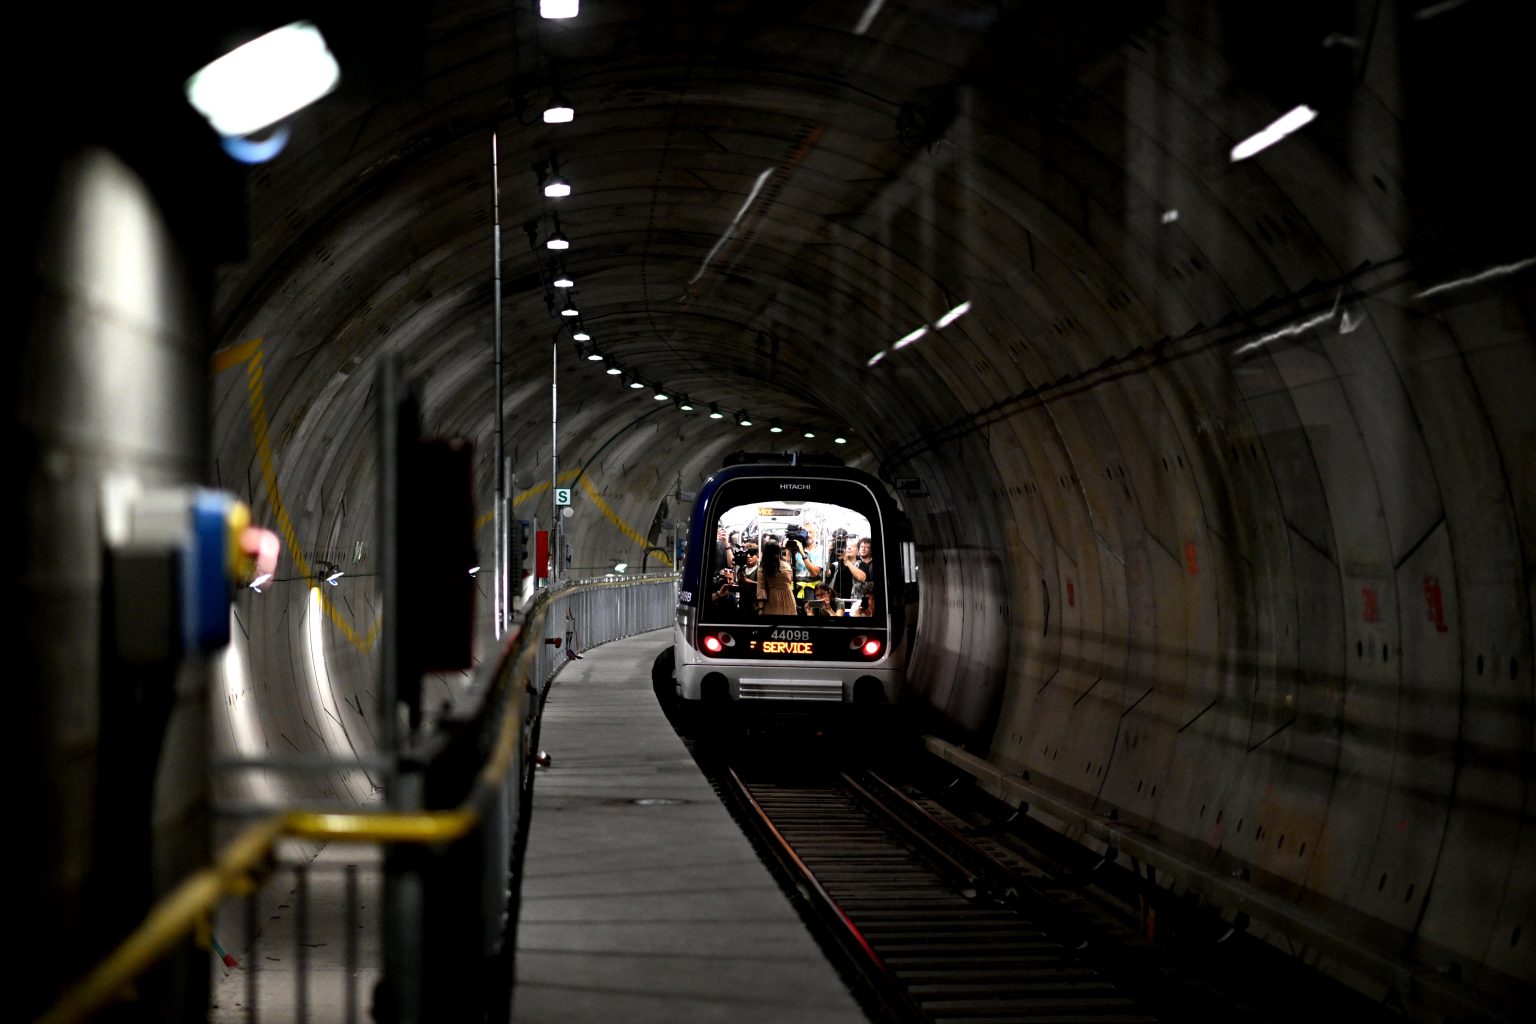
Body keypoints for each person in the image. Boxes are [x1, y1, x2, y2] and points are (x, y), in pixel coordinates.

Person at [756, 539, 796, 616]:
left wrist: (761, 608)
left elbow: (761, 589)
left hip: (772, 600)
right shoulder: (787, 566)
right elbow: (790, 581)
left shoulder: (763, 568)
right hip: (789, 598)